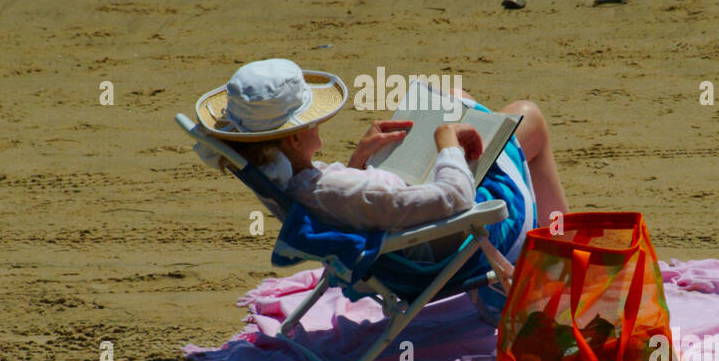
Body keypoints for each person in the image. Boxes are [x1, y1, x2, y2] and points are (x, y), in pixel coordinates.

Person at [193, 58, 569, 269]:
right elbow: (454, 199)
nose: (320, 122)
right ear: (293, 138)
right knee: (528, 116)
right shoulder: (340, 191)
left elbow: (348, 201)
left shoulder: (292, 180)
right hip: (448, 246)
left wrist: (359, 160)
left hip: (401, 226)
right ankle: (560, 258)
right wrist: (445, 143)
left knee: (454, 97)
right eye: (313, 120)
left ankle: (559, 245)